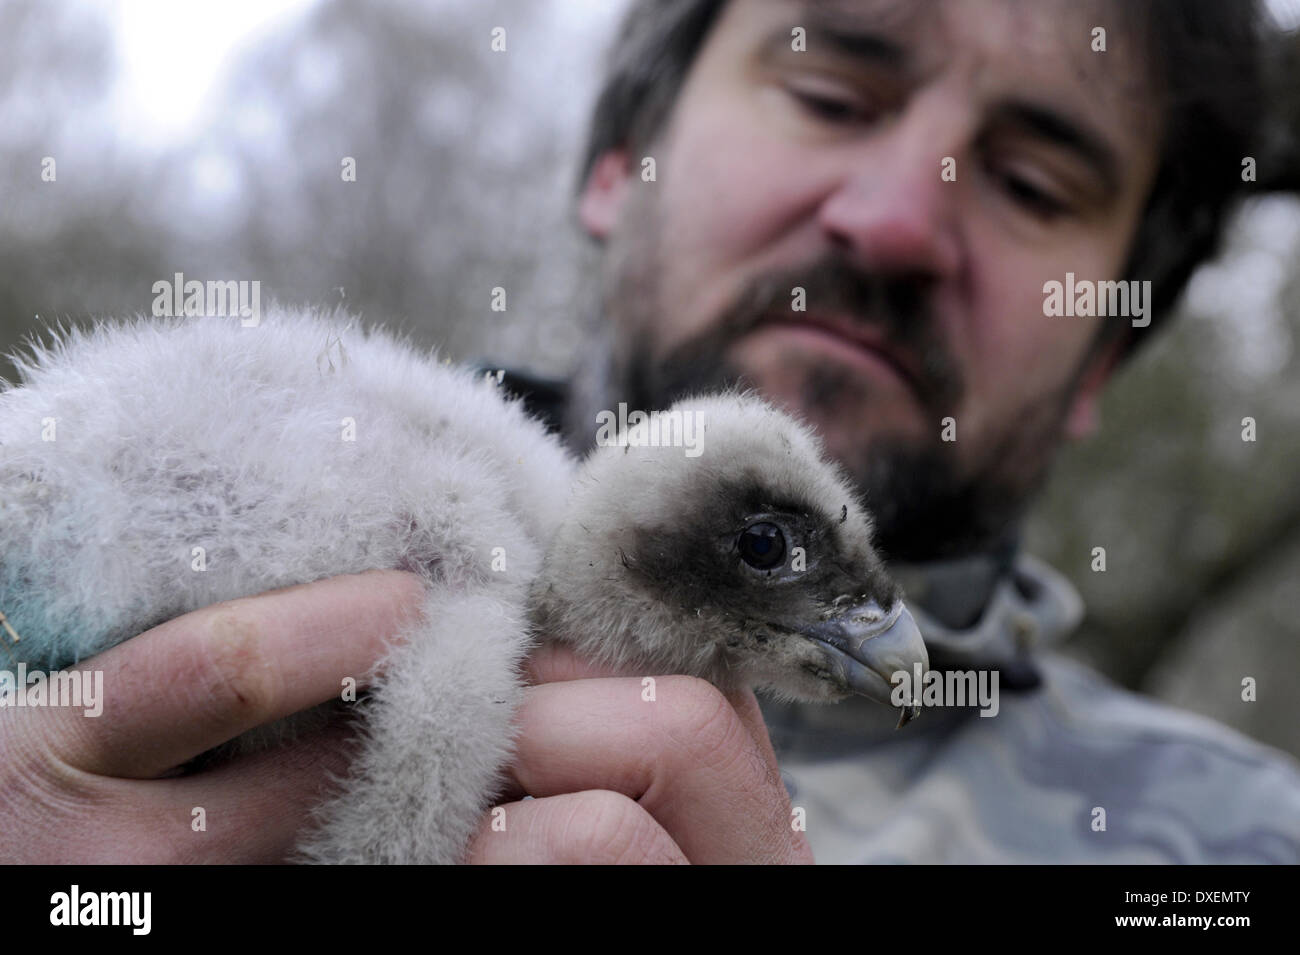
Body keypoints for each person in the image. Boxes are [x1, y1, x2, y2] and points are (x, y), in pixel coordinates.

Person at [2, 0, 1296, 864]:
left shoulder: (1234, 851)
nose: (900, 217)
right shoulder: (403, 509)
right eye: (834, 93)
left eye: (1029, 184)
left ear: (1109, 352)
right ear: (618, 160)